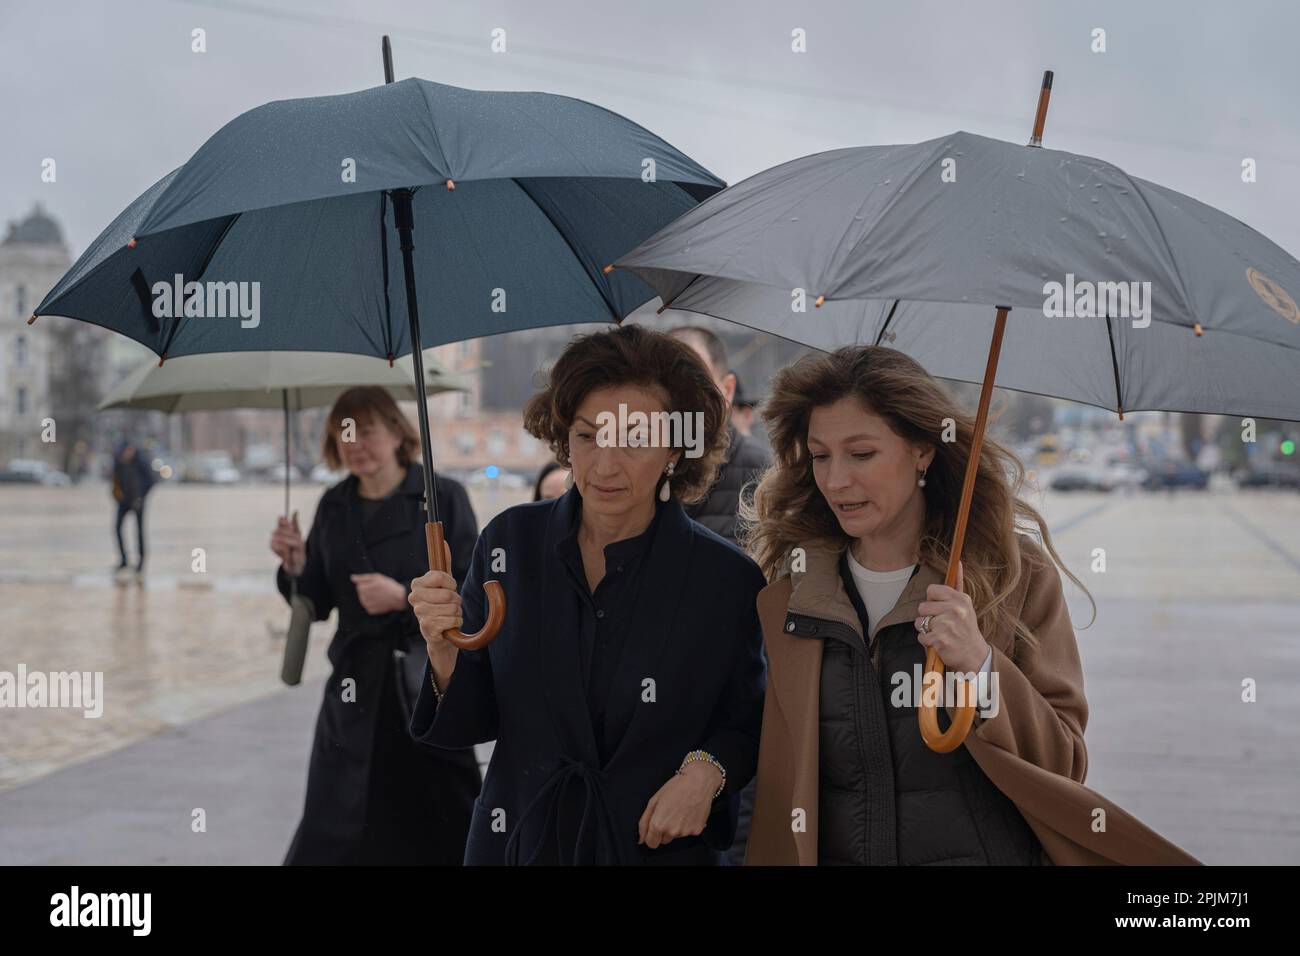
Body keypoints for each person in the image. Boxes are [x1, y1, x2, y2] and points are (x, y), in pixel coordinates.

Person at [742, 347, 1200, 865]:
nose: (836, 480)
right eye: (821, 455)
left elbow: (1064, 763)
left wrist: (981, 665)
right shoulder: (787, 597)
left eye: (861, 454)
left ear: (923, 451)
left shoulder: (1014, 577)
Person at [407, 324, 766, 865]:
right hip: (521, 843)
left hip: (652, 849)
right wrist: (440, 649)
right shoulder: (508, 544)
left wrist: (704, 774)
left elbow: (747, 718)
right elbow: (473, 718)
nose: (604, 465)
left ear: (676, 448)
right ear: (562, 438)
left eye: (634, 439)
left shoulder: (727, 579)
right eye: (588, 435)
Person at [269, 386, 481, 865]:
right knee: (340, 814)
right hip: (355, 686)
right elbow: (317, 602)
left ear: (395, 431)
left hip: (425, 681)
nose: (353, 444)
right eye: (342, 434)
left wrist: (403, 599)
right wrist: (297, 566)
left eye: (364, 431)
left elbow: (471, 593)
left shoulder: (442, 496)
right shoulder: (333, 504)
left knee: (438, 814)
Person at [667, 325, 770, 865]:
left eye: (694, 375)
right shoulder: (644, 474)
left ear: (726, 390)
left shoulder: (766, 478)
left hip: (734, 729)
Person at [667, 327, 770, 542]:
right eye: (668, 382)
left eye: (696, 381)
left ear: (728, 389)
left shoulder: (764, 473)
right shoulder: (642, 470)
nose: (682, 395)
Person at [111, 440, 154, 578]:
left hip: (138, 501)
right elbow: (115, 480)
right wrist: (116, 495)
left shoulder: (141, 462)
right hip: (123, 502)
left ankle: (141, 562)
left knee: (139, 532)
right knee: (117, 528)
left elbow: (151, 480)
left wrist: (141, 497)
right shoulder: (119, 462)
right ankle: (124, 559)